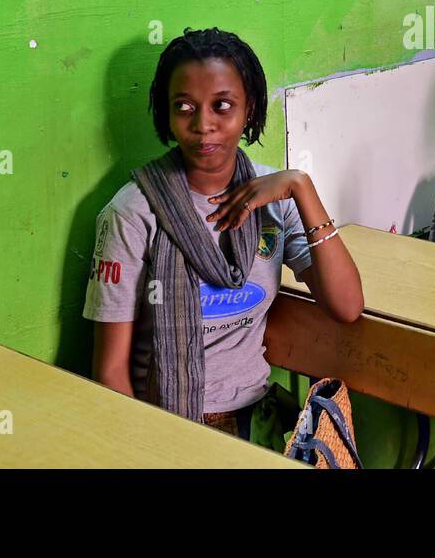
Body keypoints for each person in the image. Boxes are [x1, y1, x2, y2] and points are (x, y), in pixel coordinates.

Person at [83, 27, 363, 439]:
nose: (203, 125)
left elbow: (347, 305)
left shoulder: (274, 199)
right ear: (166, 112)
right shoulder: (133, 213)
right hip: (168, 421)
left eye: (222, 106)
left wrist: (303, 188)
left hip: (256, 418)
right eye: (184, 107)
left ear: (249, 109)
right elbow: (109, 371)